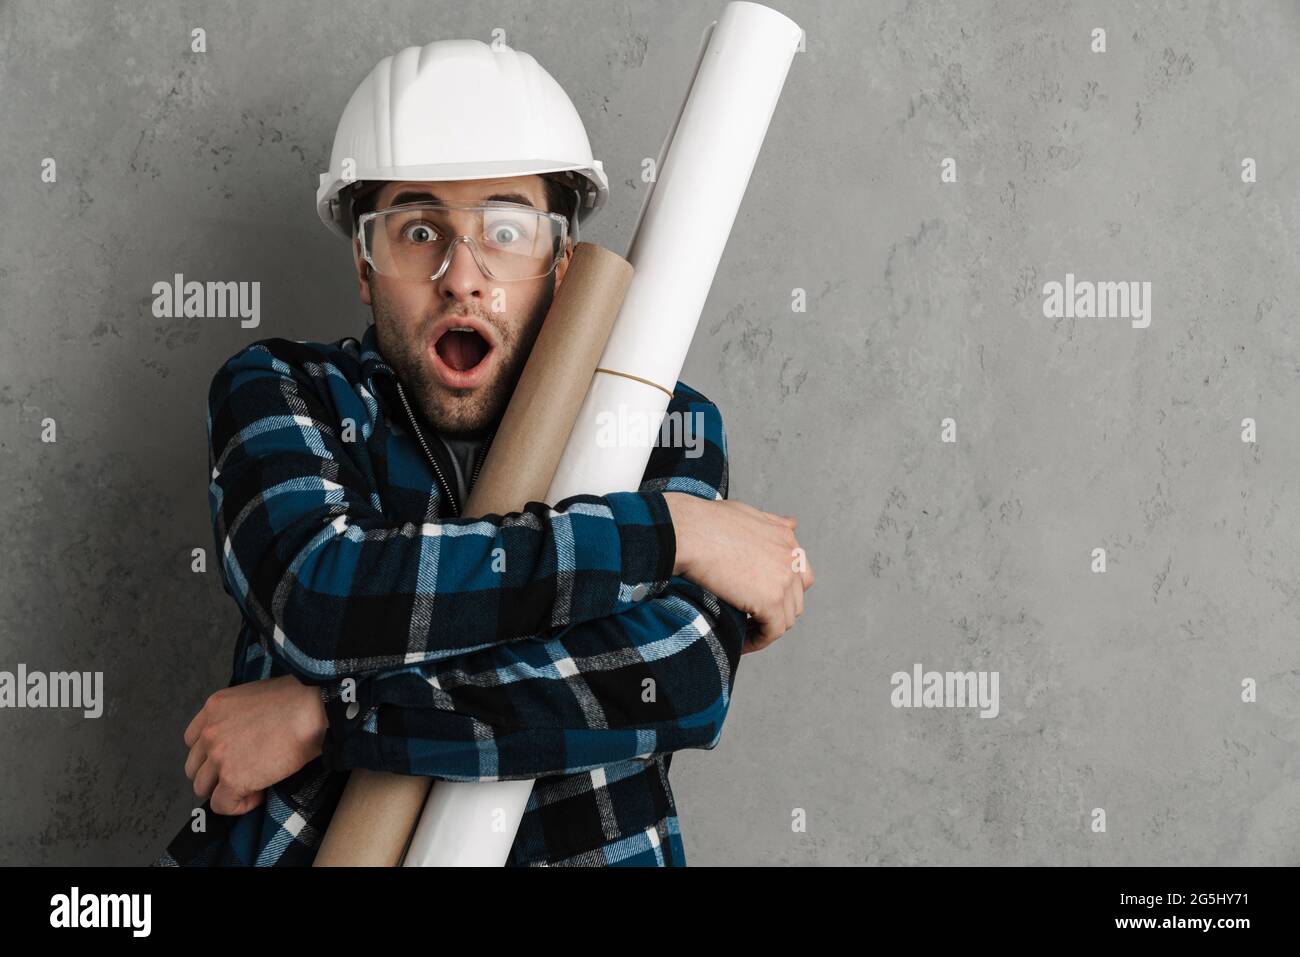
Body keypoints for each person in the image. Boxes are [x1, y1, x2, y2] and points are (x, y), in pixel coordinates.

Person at [152, 38, 811, 867]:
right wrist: (672, 533)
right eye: (418, 229)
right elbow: (318, 597)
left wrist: (328, 715)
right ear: (364, 262)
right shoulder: (284, 391)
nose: (462, 276)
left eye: (506, 229)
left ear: (562, 260)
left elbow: (675, 674)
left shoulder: (659, 423)